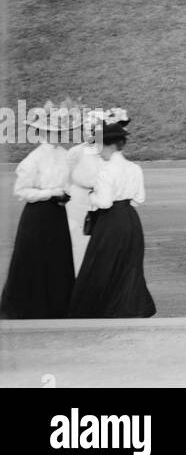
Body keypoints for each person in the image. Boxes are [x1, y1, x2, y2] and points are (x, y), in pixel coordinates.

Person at [68, 114, 156, 319]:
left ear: (108, 146)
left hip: (110, 221)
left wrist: (92, 197)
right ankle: (130, 306)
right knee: (129, 264)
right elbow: (139, 199)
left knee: (101, 263)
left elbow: (104, 202)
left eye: (99, 146)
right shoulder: (135, 168)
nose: (98, 152)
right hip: (131, 220)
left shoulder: (106, 171)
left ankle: (101, 308)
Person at [0, 108, 75, 320]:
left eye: (60, 132)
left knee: (57, 259)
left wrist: (64, 193)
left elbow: (67, 181)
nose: (57, 136)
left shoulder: (64, 155)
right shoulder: (33, 159)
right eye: (52, 132)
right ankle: (29, 307)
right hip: (37, 215)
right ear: (42, 133)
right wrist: (50, 193)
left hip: (57, 213)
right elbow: (21, 191)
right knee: (34, 260)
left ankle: (58, 306)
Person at [66, 110, 106, 275]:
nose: (90, 132)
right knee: (78, 239)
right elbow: (66, 179)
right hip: (78, 200)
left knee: (99, 240)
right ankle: (77, 275)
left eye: (94, 129)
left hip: (100, 199)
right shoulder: (75, 152)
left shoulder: (106, 152)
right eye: (86, 128)